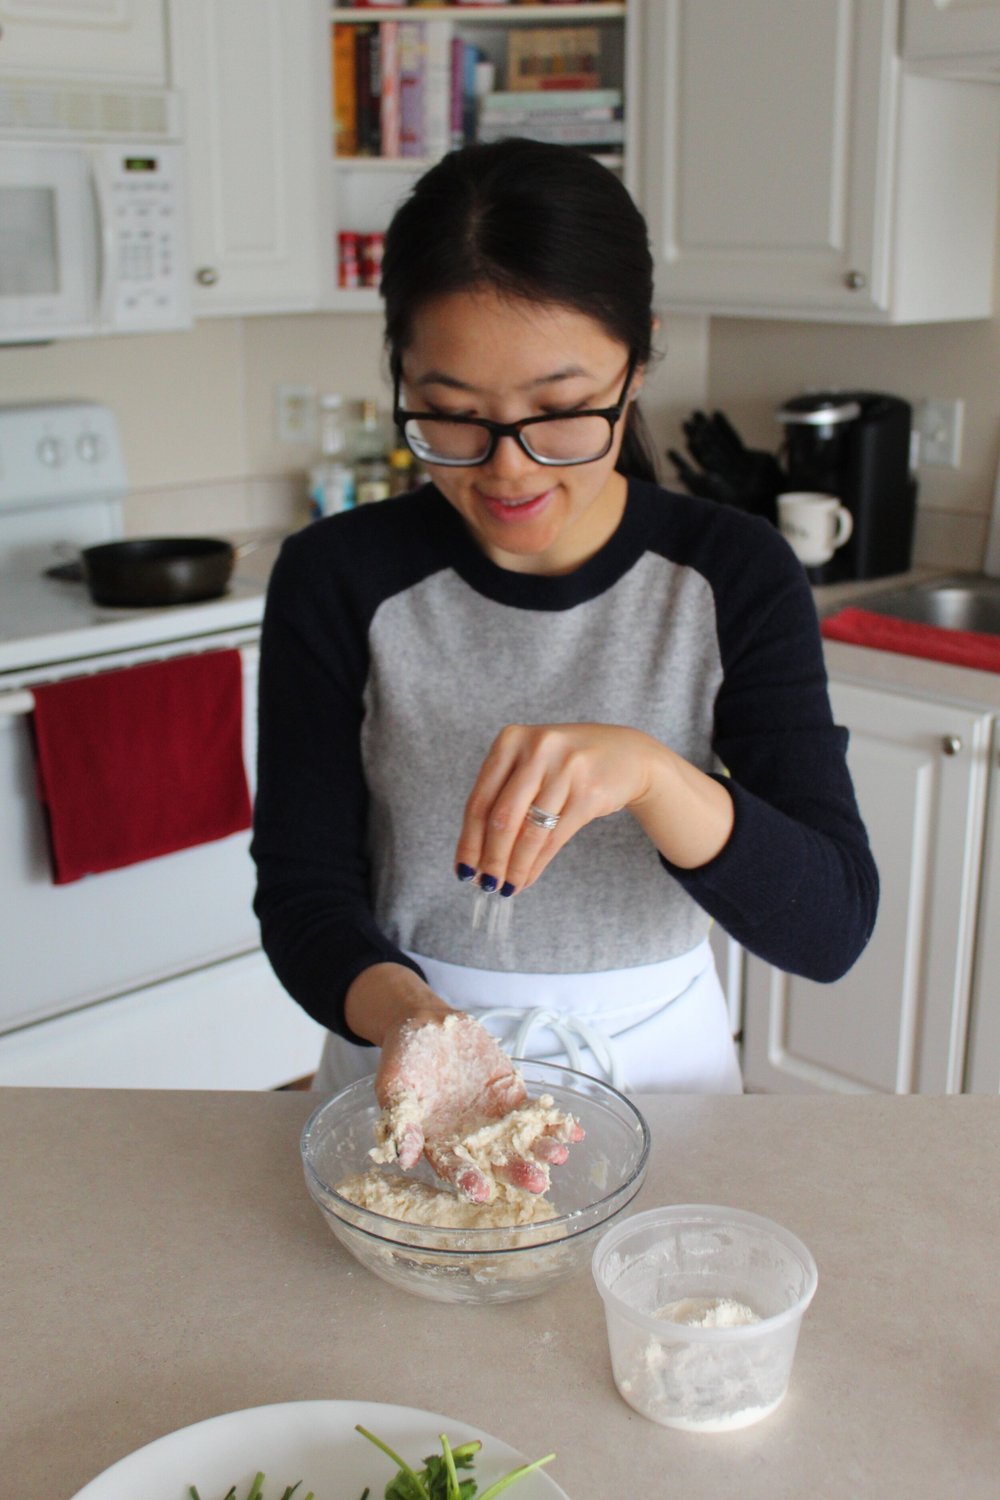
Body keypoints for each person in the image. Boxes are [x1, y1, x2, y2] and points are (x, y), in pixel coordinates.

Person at [251, 138, 878, 1189]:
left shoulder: (733, 577)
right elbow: (303, 895)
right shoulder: (336, 577)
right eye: (451, 413)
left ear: (637, 366)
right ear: (399, 374)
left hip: (662, 1082)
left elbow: (831, 927)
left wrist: (654, 776)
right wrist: (413, 1021)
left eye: (559, 411)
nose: (506, 469)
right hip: (404, 1063)